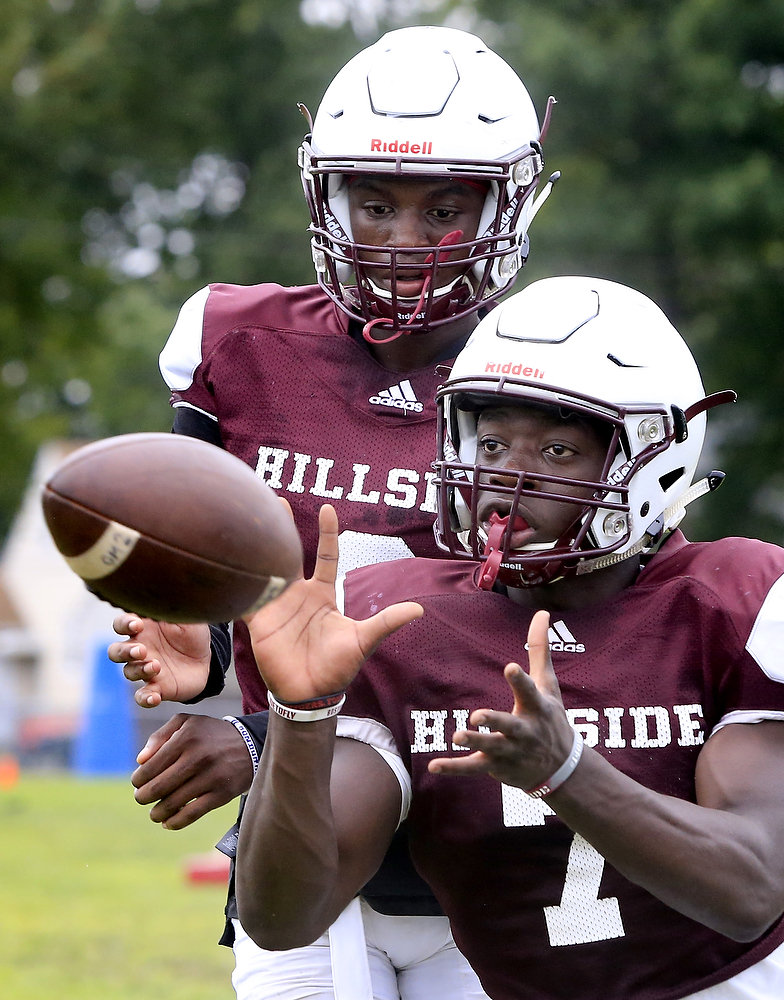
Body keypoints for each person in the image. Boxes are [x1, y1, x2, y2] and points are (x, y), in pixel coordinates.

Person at [234, 275, 784, 1000]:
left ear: (653, 455)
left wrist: (567, 770)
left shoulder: (741, 598)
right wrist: (300, 716)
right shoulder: (397, 616)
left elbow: (748, 889)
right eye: (494, 442)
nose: (507, 479)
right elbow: (283, 917)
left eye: (557, 453)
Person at [108, 24, 557, 1000]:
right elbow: (237, 590)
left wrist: (259, 737)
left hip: (494, 841)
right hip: (304, 838)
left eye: (446, 206)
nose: (402, 240)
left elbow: (560, 641)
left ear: (511, 199)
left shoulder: (554, 375)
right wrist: (206, 654)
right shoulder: (232, 341)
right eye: (376, 201)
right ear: (326, 194)